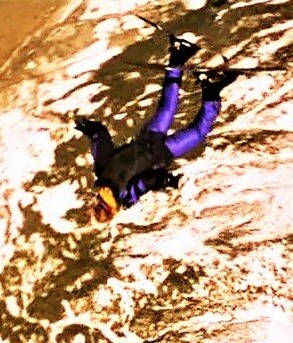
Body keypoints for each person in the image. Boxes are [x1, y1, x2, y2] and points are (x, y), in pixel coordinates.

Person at [75, 34, 238, 223]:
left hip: (161, 151)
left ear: (112, 210)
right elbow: (100, 136)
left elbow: (146, 181)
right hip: (149, 138)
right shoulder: (102, 171)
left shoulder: (126, 195)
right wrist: (87, 127)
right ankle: (181, 61)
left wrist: (167, 181)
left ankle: (208, 89)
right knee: (168, 108)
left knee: (197, 132)